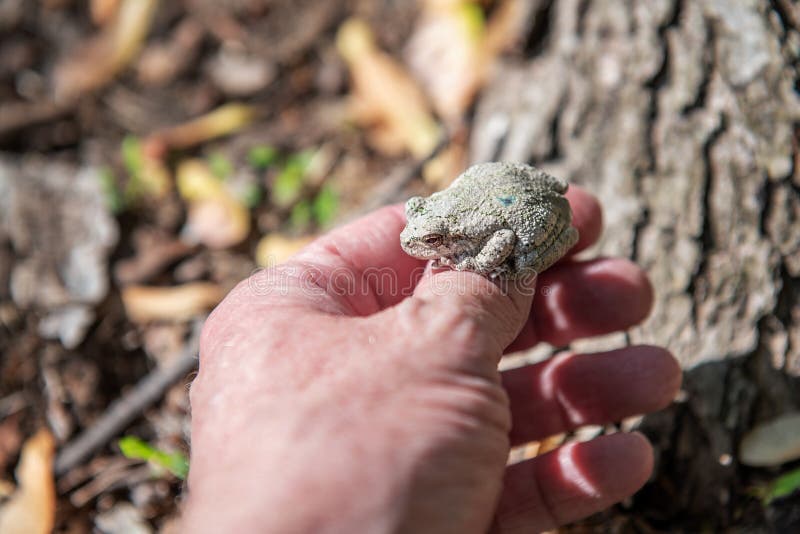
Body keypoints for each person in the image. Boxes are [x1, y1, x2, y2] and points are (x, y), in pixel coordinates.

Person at [182, 186, 681, 533]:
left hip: (527, 214)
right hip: (486, 195)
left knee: (526, 243)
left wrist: (483, 274)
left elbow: (504, 239)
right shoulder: (435, 223)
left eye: (434, 240)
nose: (418, 246)